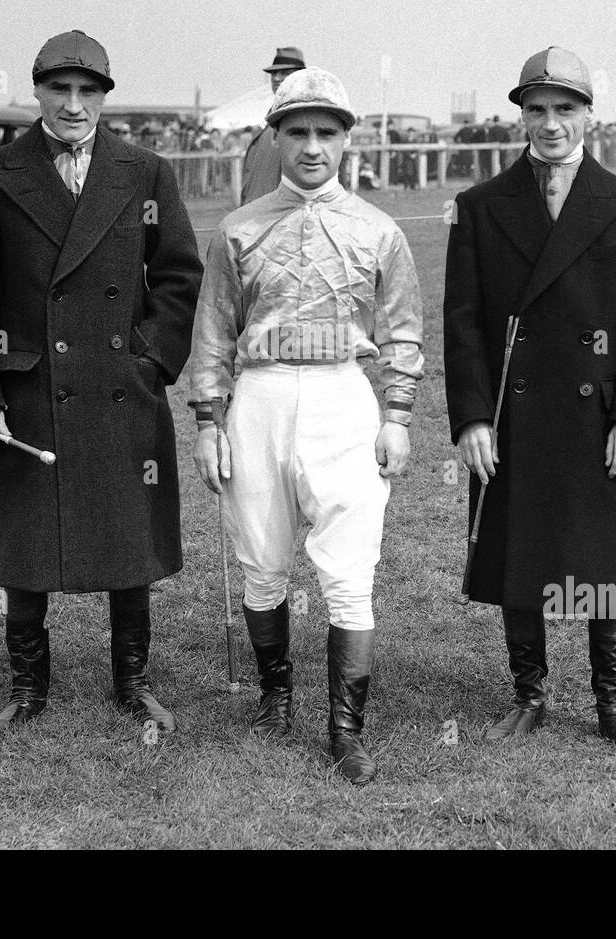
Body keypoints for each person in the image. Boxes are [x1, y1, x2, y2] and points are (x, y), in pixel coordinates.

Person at [0, 29, 204, 741]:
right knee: (27, 548)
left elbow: (180, 276)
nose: (73, 104)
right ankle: (27, 689)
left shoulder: (146, 172)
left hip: (122, 385)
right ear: (36, 92)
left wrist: (149, 360)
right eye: (59, 89)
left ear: (104, 97)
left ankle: (134, 683)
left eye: (87, 90)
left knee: (130, 543)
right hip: (31, 390)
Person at [187, 68, 425, 785]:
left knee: (349, 569)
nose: (313, 146)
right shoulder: (239, 227)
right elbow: (212, 336)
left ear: (347, 139)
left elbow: (405, 333)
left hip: (343, 400)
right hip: (258, 399)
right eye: (298, 131)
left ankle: (345, 727)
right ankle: (275, 695)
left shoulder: (380, 229)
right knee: (263, 559)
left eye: (327, 132)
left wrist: (399, 415)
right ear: (277, 137)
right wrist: (207, 421)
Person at [443, 46, 616, 754]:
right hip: (515, 414)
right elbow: (463, 324)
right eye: (536, 109)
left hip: (598, 416)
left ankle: (611, 699)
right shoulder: (480, 208)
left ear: (589, 117)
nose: (550, 124)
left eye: (564, 109)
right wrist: (474, 416)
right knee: (520, 552)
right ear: (520, 115)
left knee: (602, 559)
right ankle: (530, 691)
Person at [240, 46, 306, 205]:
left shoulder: (303, 116)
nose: (276, 78)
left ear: (300, 77)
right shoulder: (273, 115)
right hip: (258, 212)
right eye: (273, 73)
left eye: (284, 73)